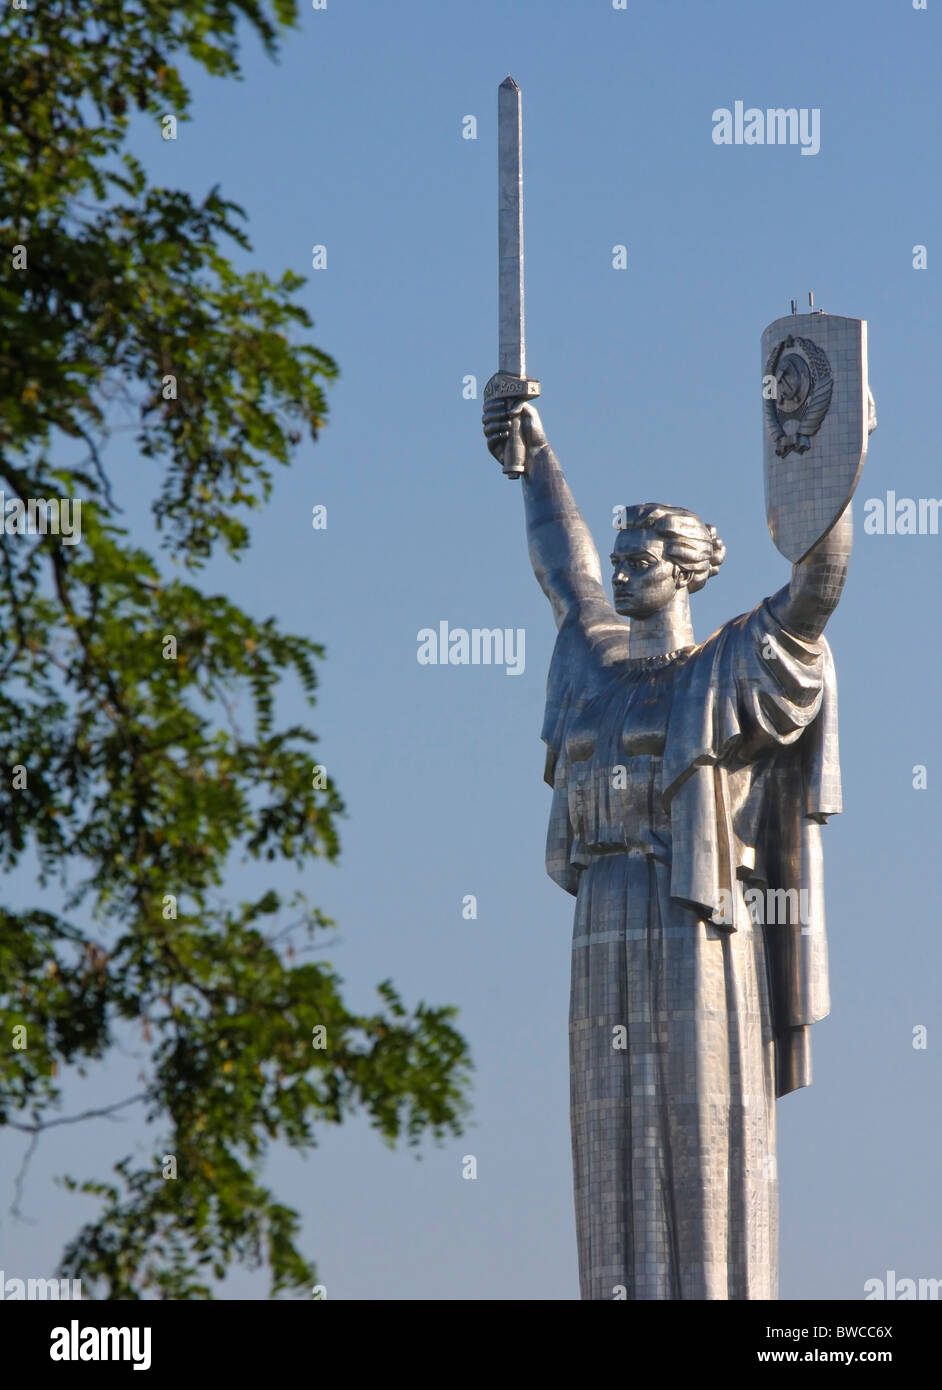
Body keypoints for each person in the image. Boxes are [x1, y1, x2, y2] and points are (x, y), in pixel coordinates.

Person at [483, 396, 850, 1300]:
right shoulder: (593, 662)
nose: (620, 570)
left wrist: (831, 466)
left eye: (640, 560)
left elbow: (816, 591)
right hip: (603, 915)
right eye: (620, 558)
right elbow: (560, 567)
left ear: (683, 573)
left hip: (696, 918)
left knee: (702, 1131)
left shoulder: (726, 667)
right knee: (611, 1146)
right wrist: (535, 454)